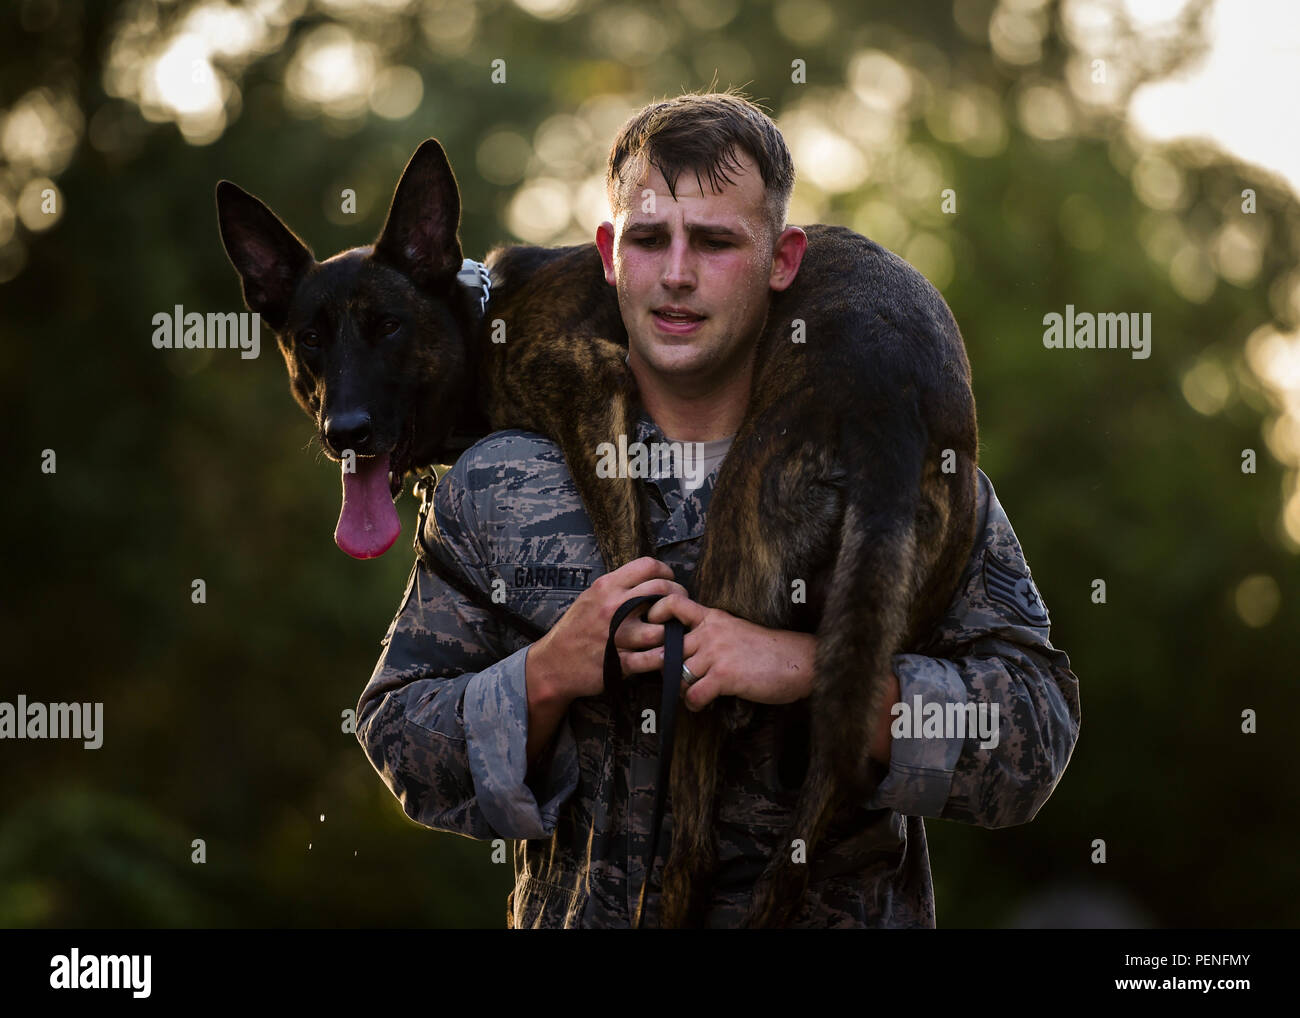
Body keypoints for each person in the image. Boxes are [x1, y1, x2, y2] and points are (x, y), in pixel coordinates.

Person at [354, 91, 1081, 928]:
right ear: (607, 253)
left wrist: (818, 670)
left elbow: (1032, 738)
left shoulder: (897, 471)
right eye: (650, 238)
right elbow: (400, 737)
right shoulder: (502, 481)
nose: (676, 275)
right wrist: (550, 671)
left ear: (783, 259)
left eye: (715, 241)